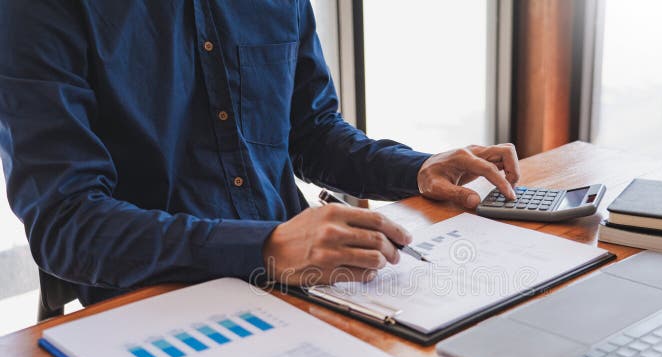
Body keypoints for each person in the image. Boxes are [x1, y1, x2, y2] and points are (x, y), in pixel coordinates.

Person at [0, 1, 520, 305]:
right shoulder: (36, 11)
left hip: (311, 288)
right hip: (154, 305)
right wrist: (266, 247)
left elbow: (310, 131)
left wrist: (416, 168)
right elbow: (65, 222)